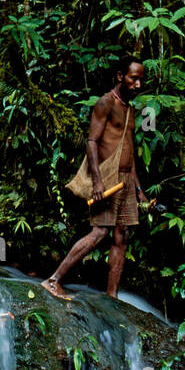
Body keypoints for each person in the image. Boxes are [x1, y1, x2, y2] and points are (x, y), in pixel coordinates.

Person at [42, 55, 155, 300]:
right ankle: (53, 280)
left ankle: (111, 296)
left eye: (140, 80)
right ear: (120, 77)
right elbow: (92, 142)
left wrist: (138, 189)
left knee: (122, 236)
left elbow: (129, 150)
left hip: (126, 180)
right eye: (133, 79)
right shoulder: (106, 103)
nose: (138, 84)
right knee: (100, 232)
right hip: (108, 178)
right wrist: (98, 182)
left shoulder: (130, 109)